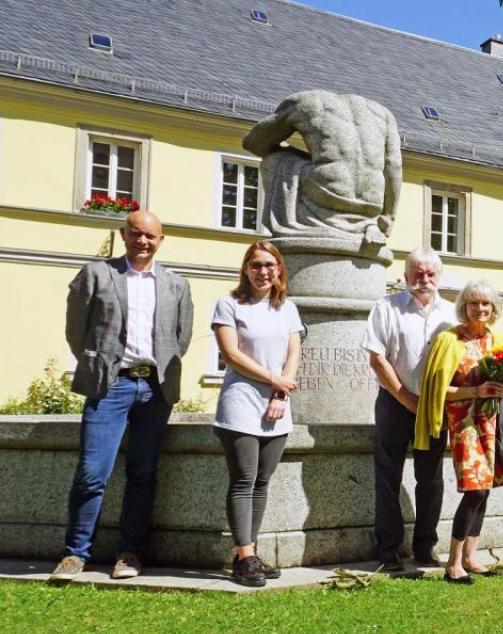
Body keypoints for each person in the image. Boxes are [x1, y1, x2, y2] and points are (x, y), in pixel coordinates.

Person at [51, 210, 194, 582]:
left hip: (155, 388)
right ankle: (74, 554)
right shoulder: (97, 274)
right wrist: (99, 362)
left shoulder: (176, 284)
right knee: (91, 473)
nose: (143, 241)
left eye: (151, 236)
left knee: (143, 473)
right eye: (136, 234)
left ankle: (129, 554)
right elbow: (76, 331)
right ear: (124, 234)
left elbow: (181, 338)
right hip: (109, 385)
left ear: (161, 240)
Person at [210, 240, 303, 587]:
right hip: (242, 402)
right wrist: (273, 380)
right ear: (246, 269)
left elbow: (294, 352)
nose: (263, 271)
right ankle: (244, 554)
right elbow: (231, 355)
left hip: (278, 404)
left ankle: (251, 552)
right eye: (256, 265)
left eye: (269, 265)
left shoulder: (288, 308)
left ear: (279, 269)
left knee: (262, 482)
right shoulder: (230, 304)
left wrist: (281, 390)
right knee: (243, 480)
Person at [415, 281, 503, 584]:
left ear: (493, 308)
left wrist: (500, 391)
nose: (480, 309)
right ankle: (453, 562)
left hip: (494, 425)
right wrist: (476, 390)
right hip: (464, 425)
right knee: (475, 488)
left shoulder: (500, 341)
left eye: (486, 304)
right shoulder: (449, 340)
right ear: (464, 307)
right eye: (474, 303)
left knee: (486, 489)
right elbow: (436, 390)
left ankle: (471, 556)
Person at [363, 248, 455, 570]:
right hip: (394, 401)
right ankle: (388, 549)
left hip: (433, 408)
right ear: (406, 276)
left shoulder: (451, 314)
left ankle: (425, 546)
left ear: (438, 277)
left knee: (430, 479)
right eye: (418, 273)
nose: (424, 279)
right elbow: (377, 358)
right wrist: (405, 398)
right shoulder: (386, 307)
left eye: (430, 274)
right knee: (388, 477)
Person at [242, 90, 401, 247]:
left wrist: (294, 153)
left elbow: (254, 144)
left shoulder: (305, 102)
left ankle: (296, 222)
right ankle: (368, 224)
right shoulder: (384, 114)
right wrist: (388, 217)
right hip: (372, 205)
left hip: (328, 195)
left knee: (274, 159)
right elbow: (394, 165)